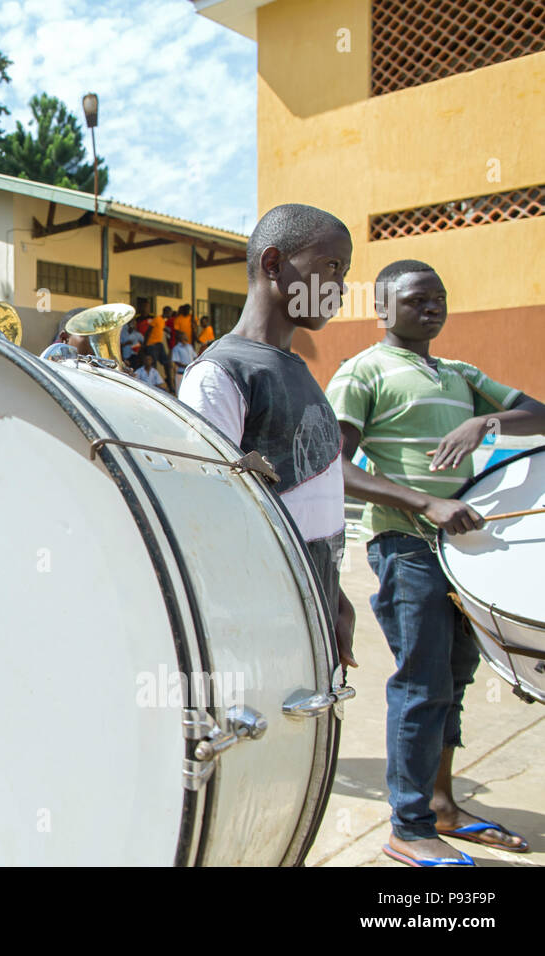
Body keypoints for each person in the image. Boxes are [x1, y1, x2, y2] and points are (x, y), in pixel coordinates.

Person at [327, 259, 545, 867]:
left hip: (462, 552)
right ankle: (409, 824)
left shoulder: (459, 374)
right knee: (422, 684)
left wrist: (486, 422)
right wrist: (427, 502)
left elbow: (540, 413)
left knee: (455, 676)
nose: (433, 307)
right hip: (405, 543)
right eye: (418, 299)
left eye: (440, 297)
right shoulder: (362, 372)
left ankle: (443, 802)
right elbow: (332, 468)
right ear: (382, 309)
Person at [177, 202, 356, 683]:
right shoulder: (223, 373)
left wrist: (334, 592)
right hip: (266, 608)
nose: (340, 288)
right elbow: (207, 513)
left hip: (315, 588)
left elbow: (315, 496)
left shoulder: (295, 367)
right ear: (274, 264)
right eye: (331, 268)